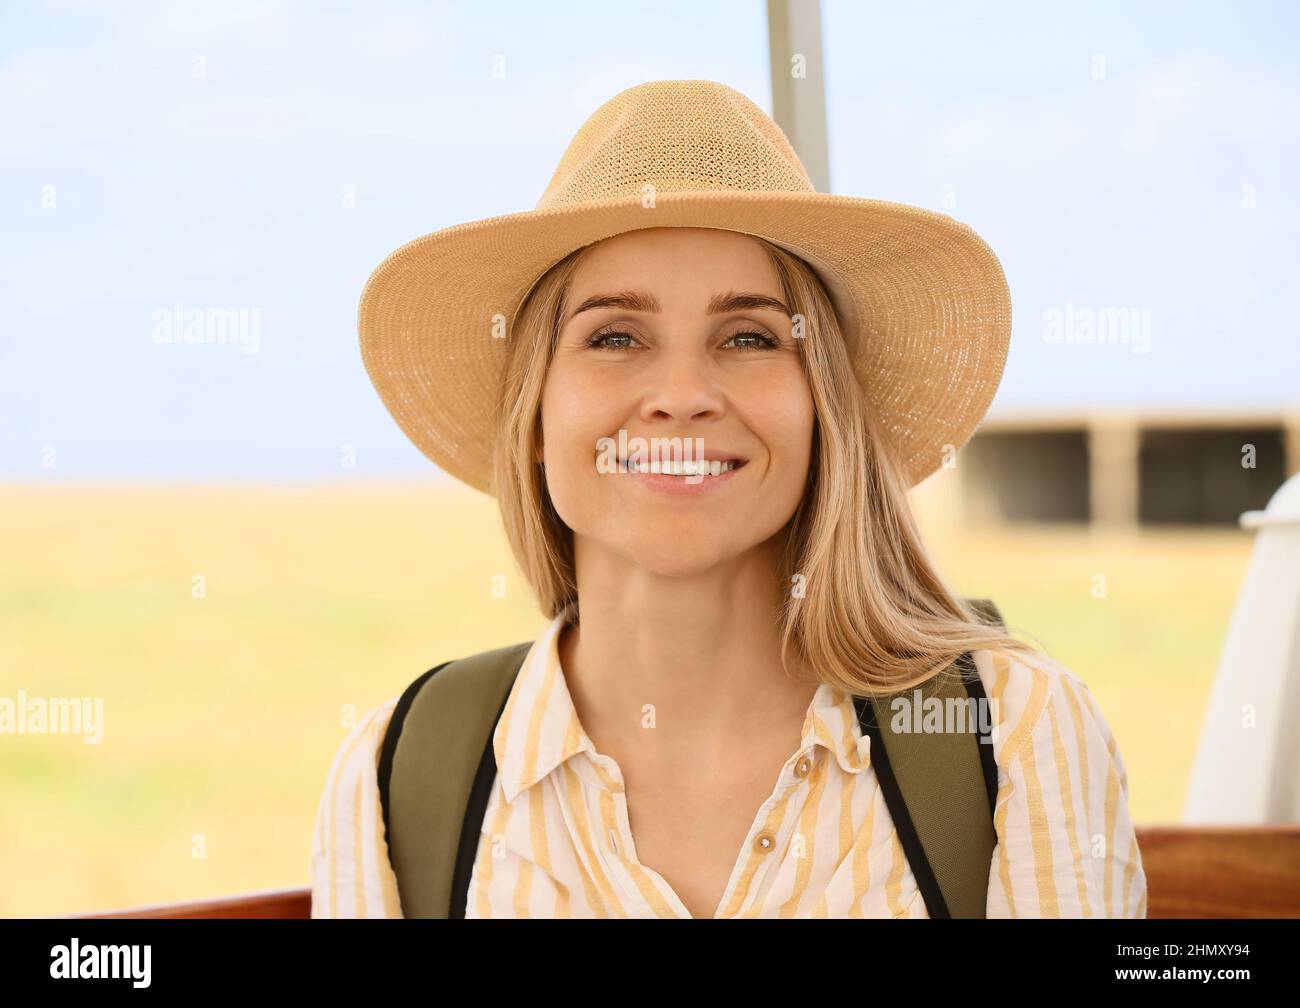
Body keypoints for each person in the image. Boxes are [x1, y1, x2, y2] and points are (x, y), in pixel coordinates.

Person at [311, 80, 1146, 919]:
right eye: (614, 336)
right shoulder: (395, 776)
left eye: (749, 336)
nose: (682, 393)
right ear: (532, 416)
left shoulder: (1014, 731)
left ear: (824, 408)